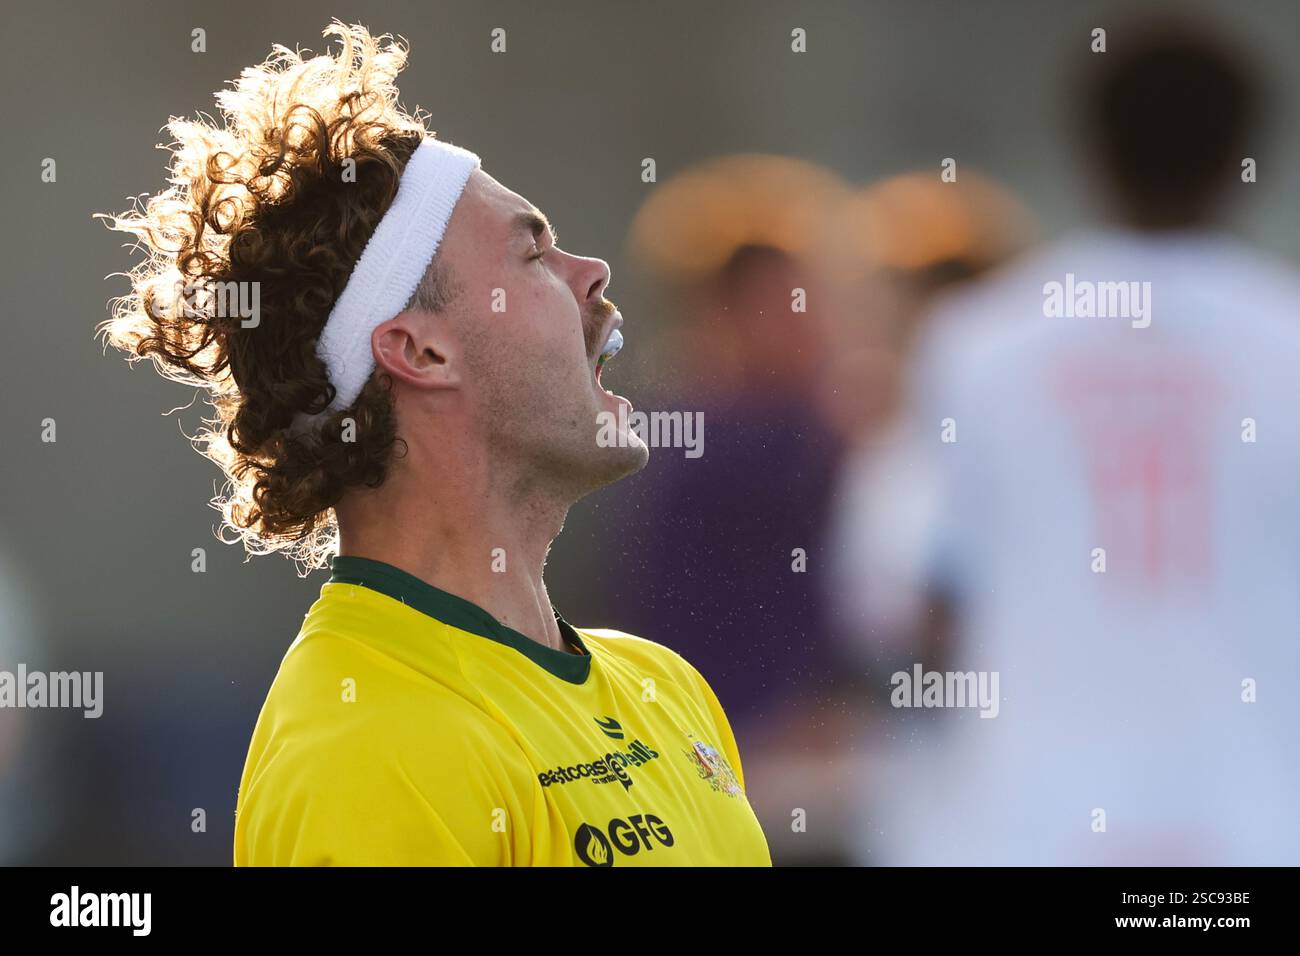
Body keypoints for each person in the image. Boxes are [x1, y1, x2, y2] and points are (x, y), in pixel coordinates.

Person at [97, 21, 770, 867]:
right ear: (419, 351)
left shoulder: (665, 688)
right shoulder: (372, 748)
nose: (592, 271)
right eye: (534, 253)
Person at [846, 19, 1300, 864]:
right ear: (1251, 153)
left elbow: (925, 606)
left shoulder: (981, 342)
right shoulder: (1288, 341)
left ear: (1089, 149)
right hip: (1262, 826)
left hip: (1035, 827)